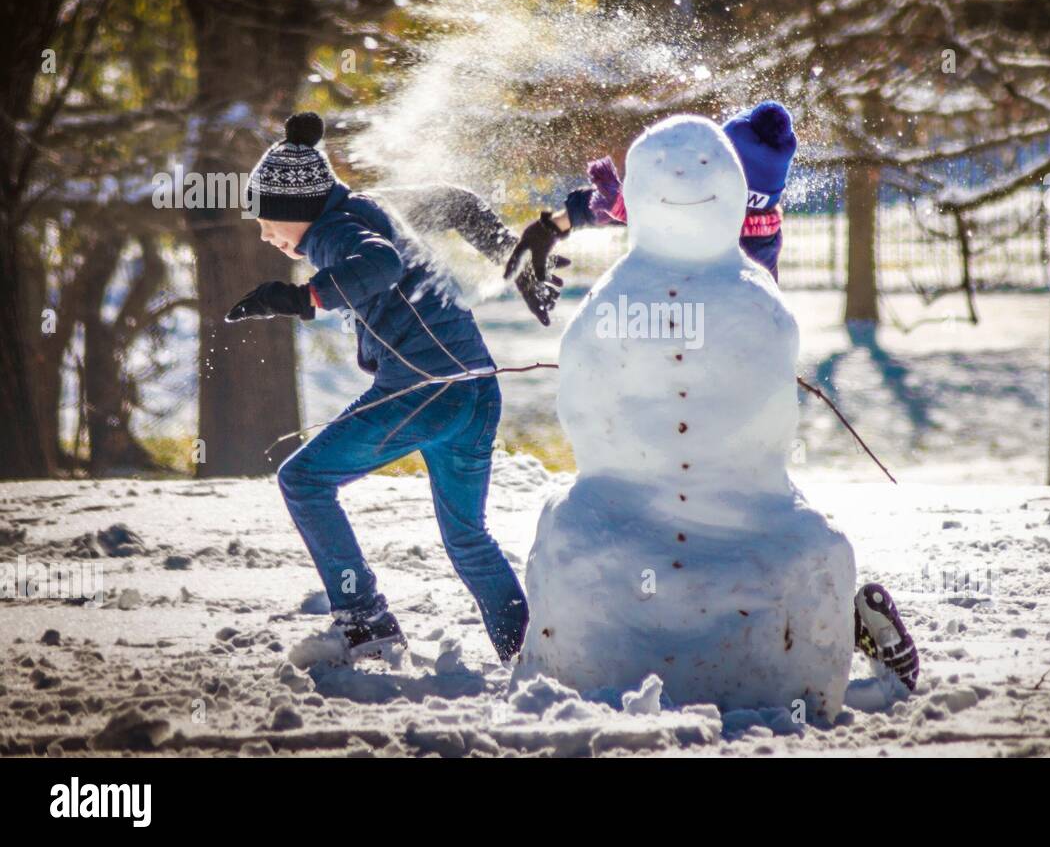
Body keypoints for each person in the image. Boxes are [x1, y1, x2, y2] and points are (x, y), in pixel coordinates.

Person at [505, 102, 922, 693]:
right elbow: (644, 206)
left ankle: (847, 618)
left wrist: (561, 222)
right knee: (777, 542)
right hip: (732, 454)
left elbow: (638, 208)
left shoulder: (738, 246)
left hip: (689, 448)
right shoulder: (746, 223)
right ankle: (847, 618)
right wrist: (565, 220)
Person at [225, 111, 564, 663]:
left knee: (304, 480)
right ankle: (534, 658)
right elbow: (455, 203)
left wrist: (299, 299)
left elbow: (379, 264)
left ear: (298, 210)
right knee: (468, 538)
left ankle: (365, 620)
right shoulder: (369, 205)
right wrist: (514, 256)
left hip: (424, 390)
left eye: (269, 222)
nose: (265, 236)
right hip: (476, 388)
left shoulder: (333, 234)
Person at [504, 100, 797, 285]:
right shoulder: (752, 226)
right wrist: (552, 226)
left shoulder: (737, 246)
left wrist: (553, 227)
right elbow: (632, 205)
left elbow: (635, 207)